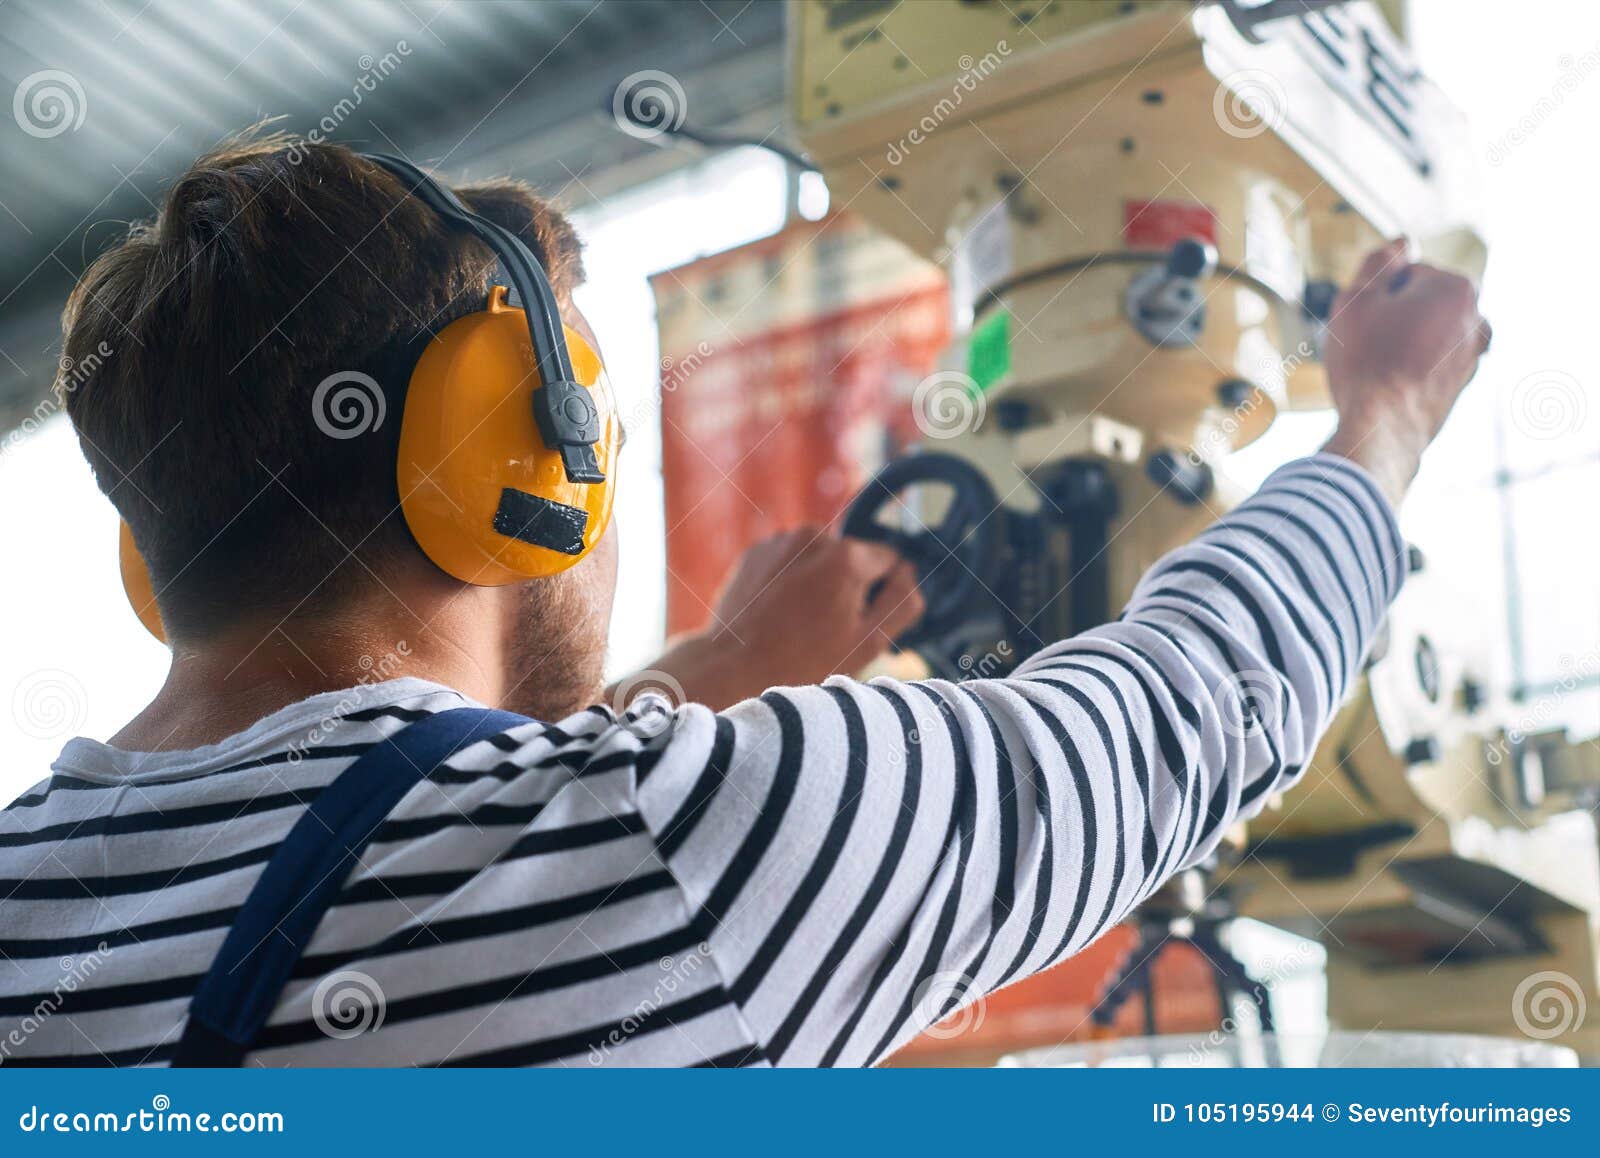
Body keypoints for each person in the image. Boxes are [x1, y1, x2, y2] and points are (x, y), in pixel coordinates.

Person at [0, 134, 1489, 1067]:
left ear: (155, 546)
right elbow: (1188, 714)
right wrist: (1385, 419)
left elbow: (433, 825)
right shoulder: (680, 845)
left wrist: (725, 663)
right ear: (528, 460)